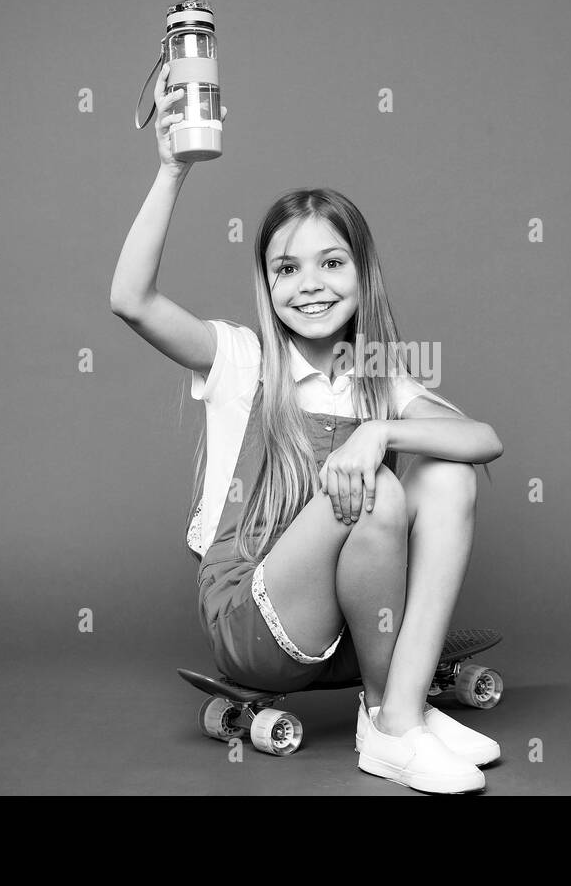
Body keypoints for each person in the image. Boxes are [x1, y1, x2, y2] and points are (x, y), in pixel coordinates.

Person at [110, 63, 504, 794]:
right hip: (254, 621)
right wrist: (171, 170)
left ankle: (399, 709)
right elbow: (130, 300)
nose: (310, 284)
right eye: (286, 269)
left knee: (441, 468)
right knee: (377, 496)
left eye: (330, 261)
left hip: (351, 635)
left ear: (362, 273)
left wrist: (380, 431)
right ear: (266, 283)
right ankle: (395, 724)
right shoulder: (242, 358)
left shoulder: (379, 372)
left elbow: (484, 439)